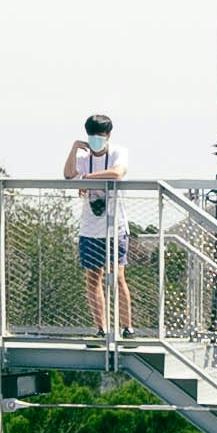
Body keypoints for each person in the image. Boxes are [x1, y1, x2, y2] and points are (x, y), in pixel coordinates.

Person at [61, 112, 130, 334]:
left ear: (108, 135)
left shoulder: (118, 152)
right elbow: (68, 175)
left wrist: (87, 179)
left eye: (99, 136)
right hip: (90, 228)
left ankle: (127, 327)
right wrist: (74, 148)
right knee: (93, 279)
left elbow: (117, 173)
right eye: (91, 135)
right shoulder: (83, 158)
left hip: (115, 227)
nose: (95, 140)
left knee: (118, 277)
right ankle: (101, 328)